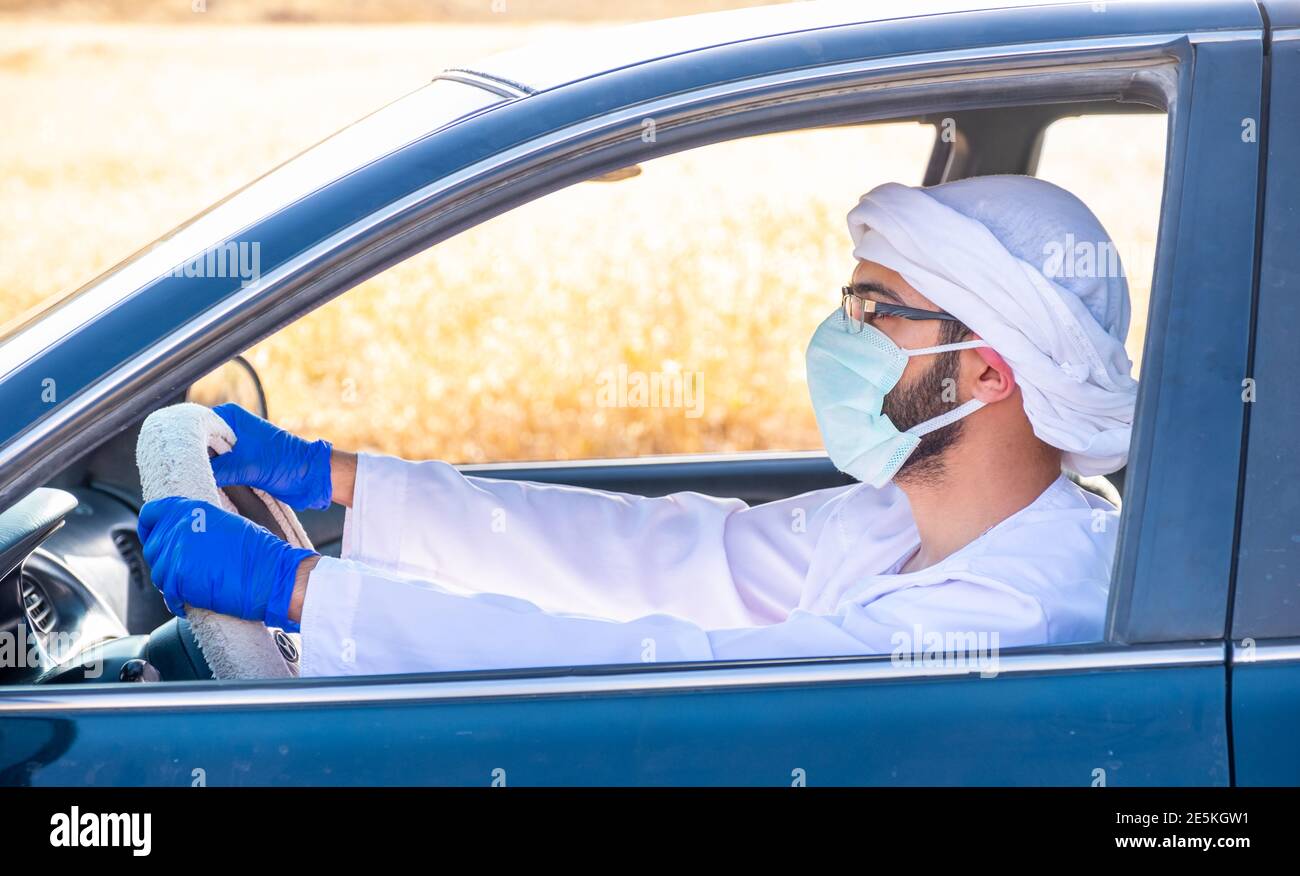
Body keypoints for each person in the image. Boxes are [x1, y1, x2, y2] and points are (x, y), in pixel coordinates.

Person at [138, 174, 1139, 677]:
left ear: (987, 371)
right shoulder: (900, 523)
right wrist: (345, 479)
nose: (839, 336)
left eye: (876, 311)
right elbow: (660, 557)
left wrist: (302, 589)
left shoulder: (1009, 615)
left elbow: (685, 674)